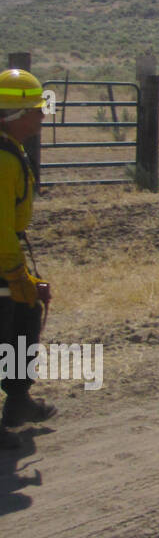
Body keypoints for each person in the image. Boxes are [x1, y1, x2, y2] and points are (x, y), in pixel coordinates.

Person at [0, 69, 56, 448]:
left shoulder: (10, 148)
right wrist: (16, 275)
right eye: (36, 110)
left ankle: (18, 399)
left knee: (25, 315)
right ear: (15, 114)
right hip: (2, 258)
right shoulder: (3, 160)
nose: (41, 116)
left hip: (7, 254)